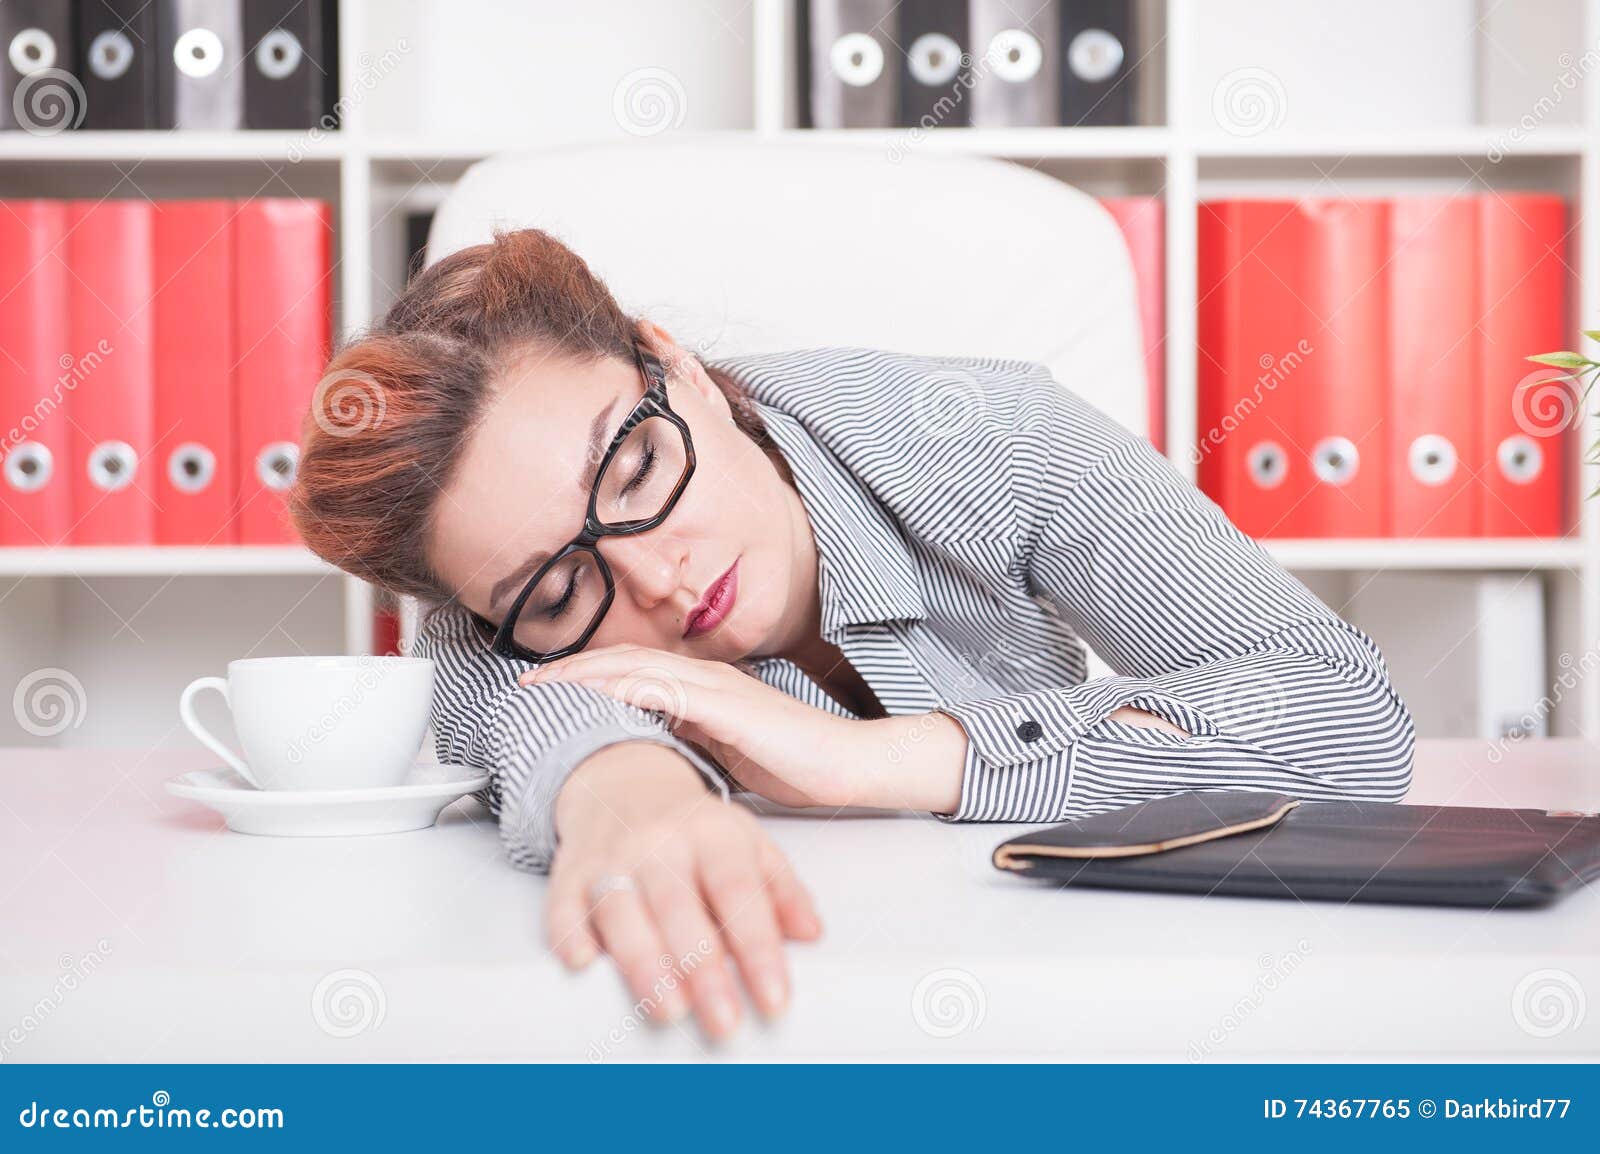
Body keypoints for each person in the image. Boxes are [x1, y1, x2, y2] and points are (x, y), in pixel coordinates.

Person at [288, 227, 1416, 1044]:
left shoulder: (992, 434)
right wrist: (636, 799)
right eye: (558, 588)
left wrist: (877, 759)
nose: (657, 574)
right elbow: (534, 710)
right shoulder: (499, 620)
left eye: (633, 465)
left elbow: (1348, 713)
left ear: (673, 365)